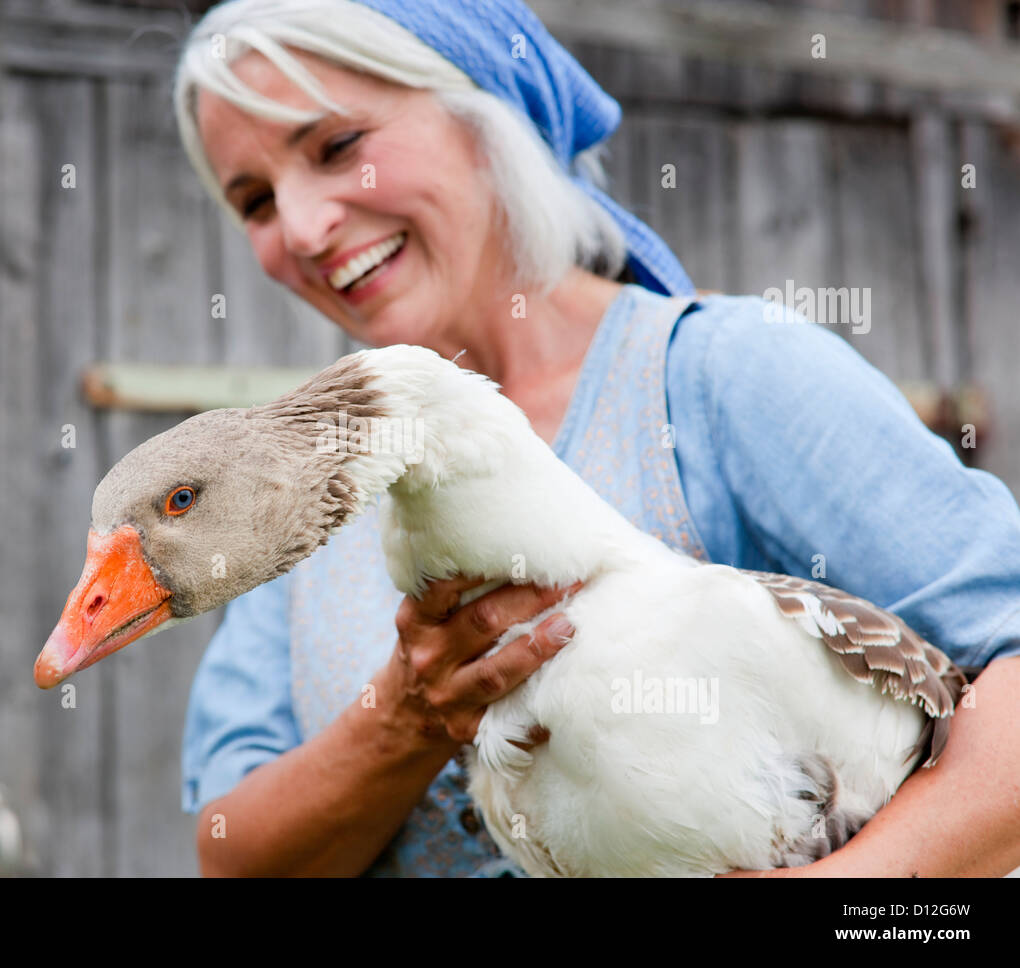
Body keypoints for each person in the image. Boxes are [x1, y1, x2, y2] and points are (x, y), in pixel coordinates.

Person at [171, 0, 1020, 876]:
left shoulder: (726, 376)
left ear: (485, 110)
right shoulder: (326, 484)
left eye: (338, 146)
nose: (304, 228)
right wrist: (405, 720)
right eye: (256, 201)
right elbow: (236, 856)